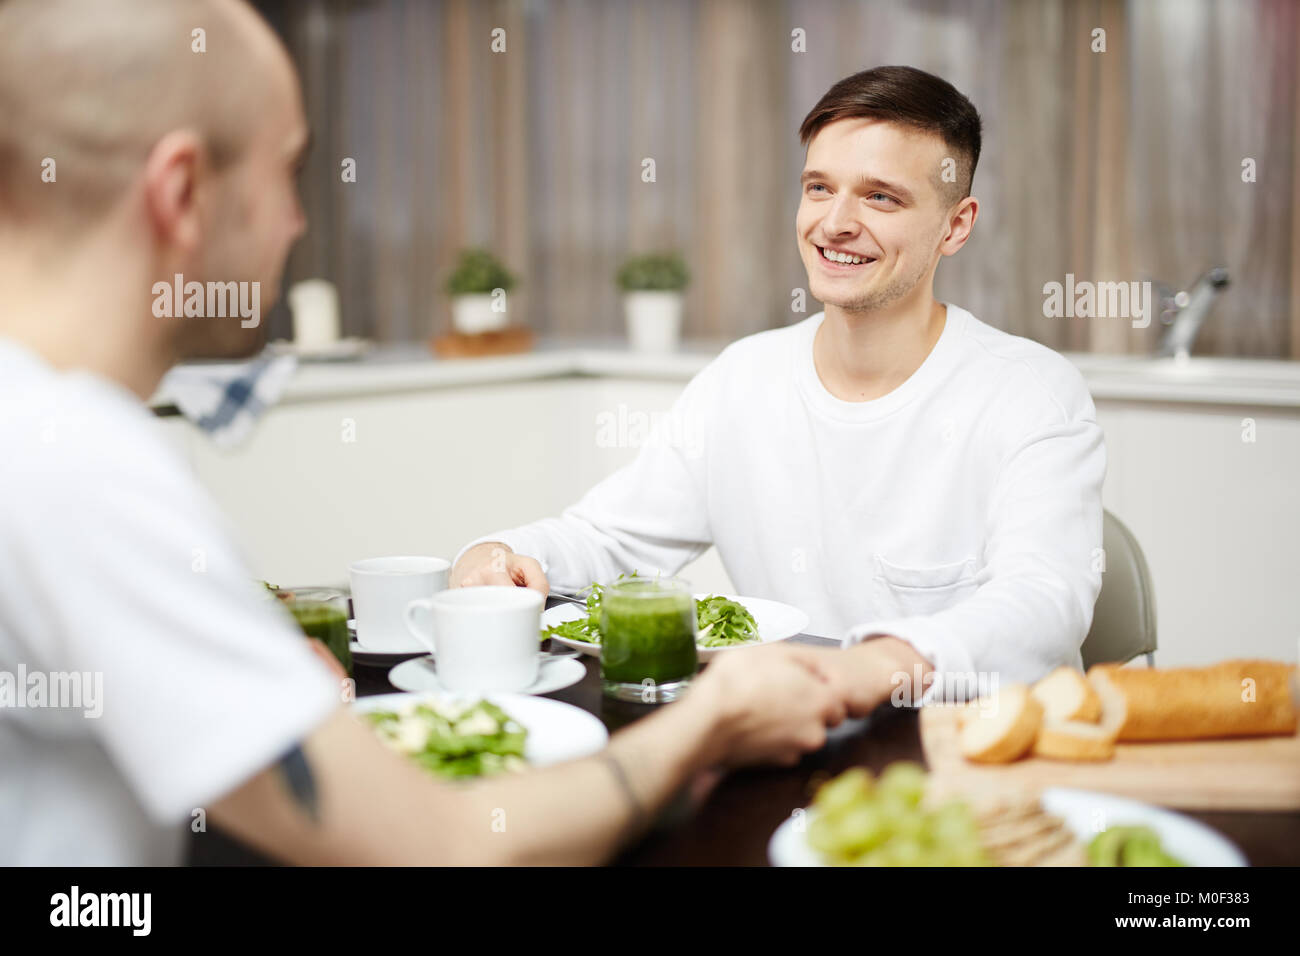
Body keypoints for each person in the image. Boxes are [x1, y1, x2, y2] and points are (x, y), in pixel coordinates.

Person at [0, 0, 849, 867]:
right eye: (288, 172)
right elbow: (443, 849)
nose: (298, 222)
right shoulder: (71, 462)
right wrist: (711, 722)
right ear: (179, 191)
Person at [454, 66, 1106, 709]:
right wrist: (504, 555)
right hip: (793, 742)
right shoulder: (743, 379)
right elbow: (609, 541)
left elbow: (1045, 596)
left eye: (881, 197)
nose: (835, 223)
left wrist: (877, 667)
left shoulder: (1031, 395)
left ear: (956, 226)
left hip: (973, 756)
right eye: (820, 188)